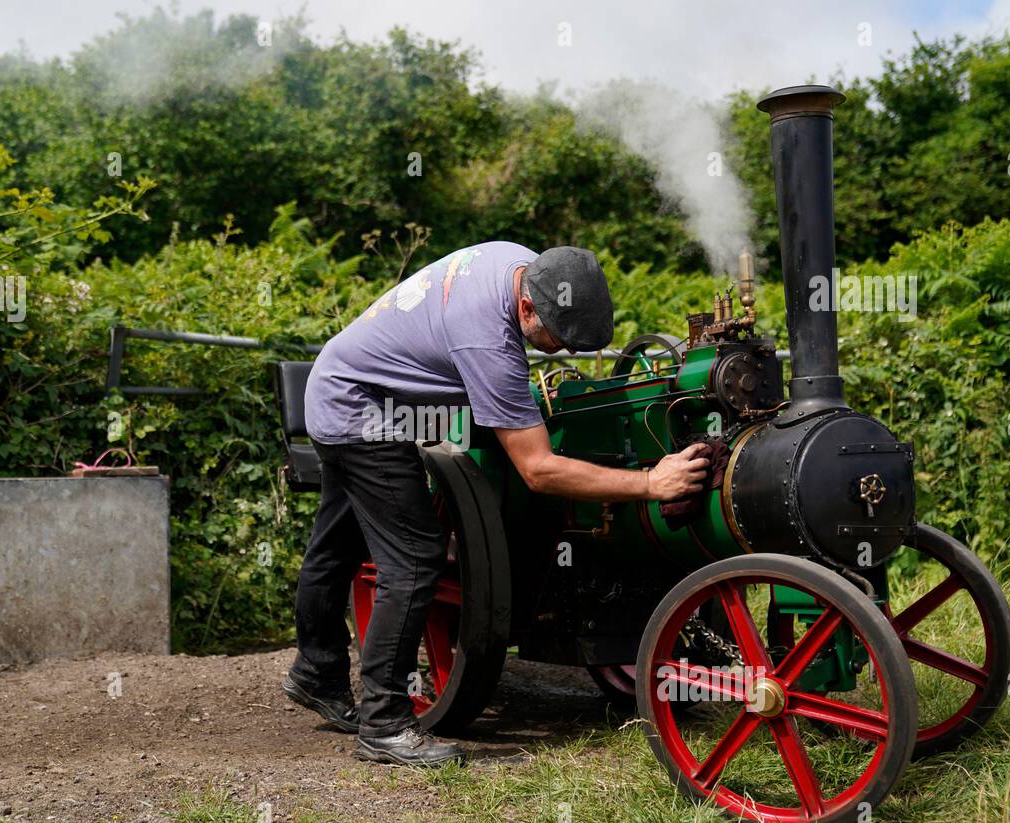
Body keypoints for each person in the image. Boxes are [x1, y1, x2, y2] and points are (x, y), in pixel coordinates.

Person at [283, 242, 710, 766]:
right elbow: (538, 471)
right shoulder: (487, 339)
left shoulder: (522, 263)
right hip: (361, 410)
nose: (561, 355)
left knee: (339, 542)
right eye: (557, 342)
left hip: (342, 379)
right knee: (416, 557)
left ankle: (316, 672)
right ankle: (385, 723)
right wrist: (649, 484)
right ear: (528, 308)